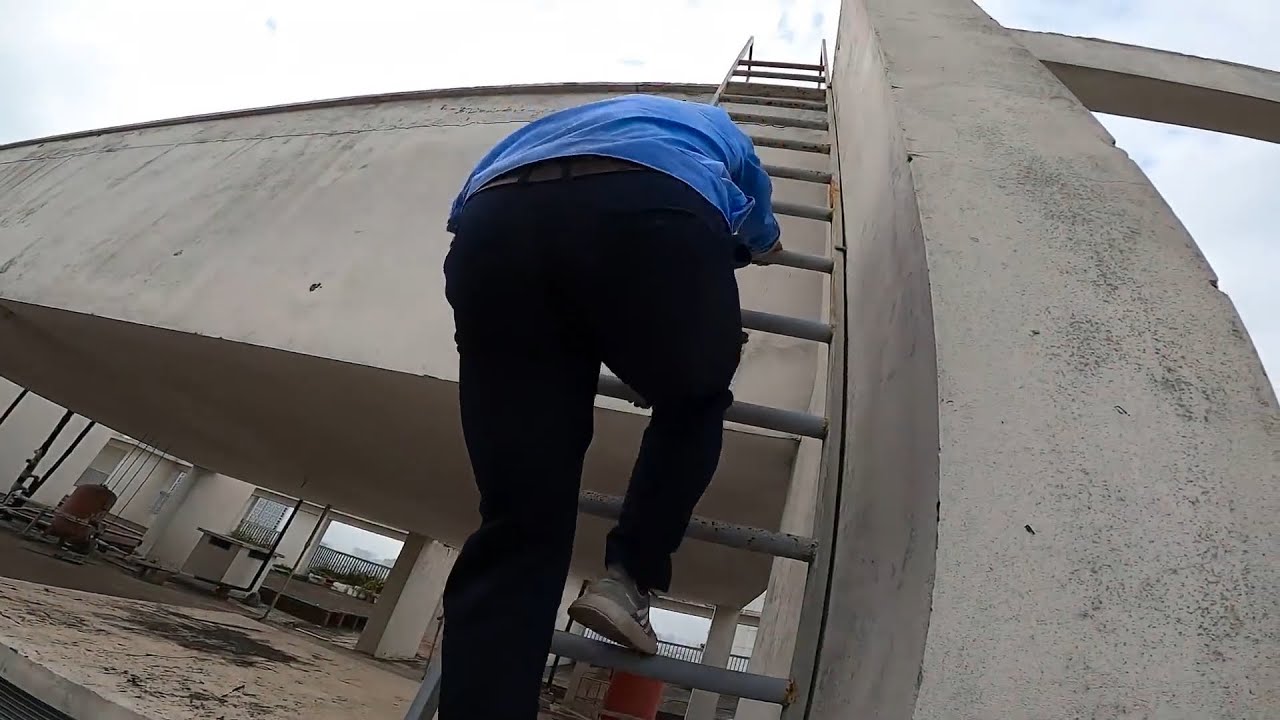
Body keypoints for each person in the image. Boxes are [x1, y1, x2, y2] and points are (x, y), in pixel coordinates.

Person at [439, 93, 782, 719]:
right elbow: (759, 225)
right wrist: (753, 249)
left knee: (519, 518)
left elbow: (462, 210)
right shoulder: (714, 126)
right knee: (694, 396)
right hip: (650, 214)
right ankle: (628, 578)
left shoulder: (551, 126)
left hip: (497, 225)